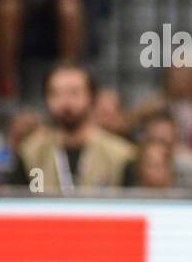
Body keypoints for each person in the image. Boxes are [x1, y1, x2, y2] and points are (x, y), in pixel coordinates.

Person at [11, 63, 135, 192]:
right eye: (56, 93)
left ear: (92, 97)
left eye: (74, 93)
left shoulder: (120, 155)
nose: (65, 102)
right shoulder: (31, 153)